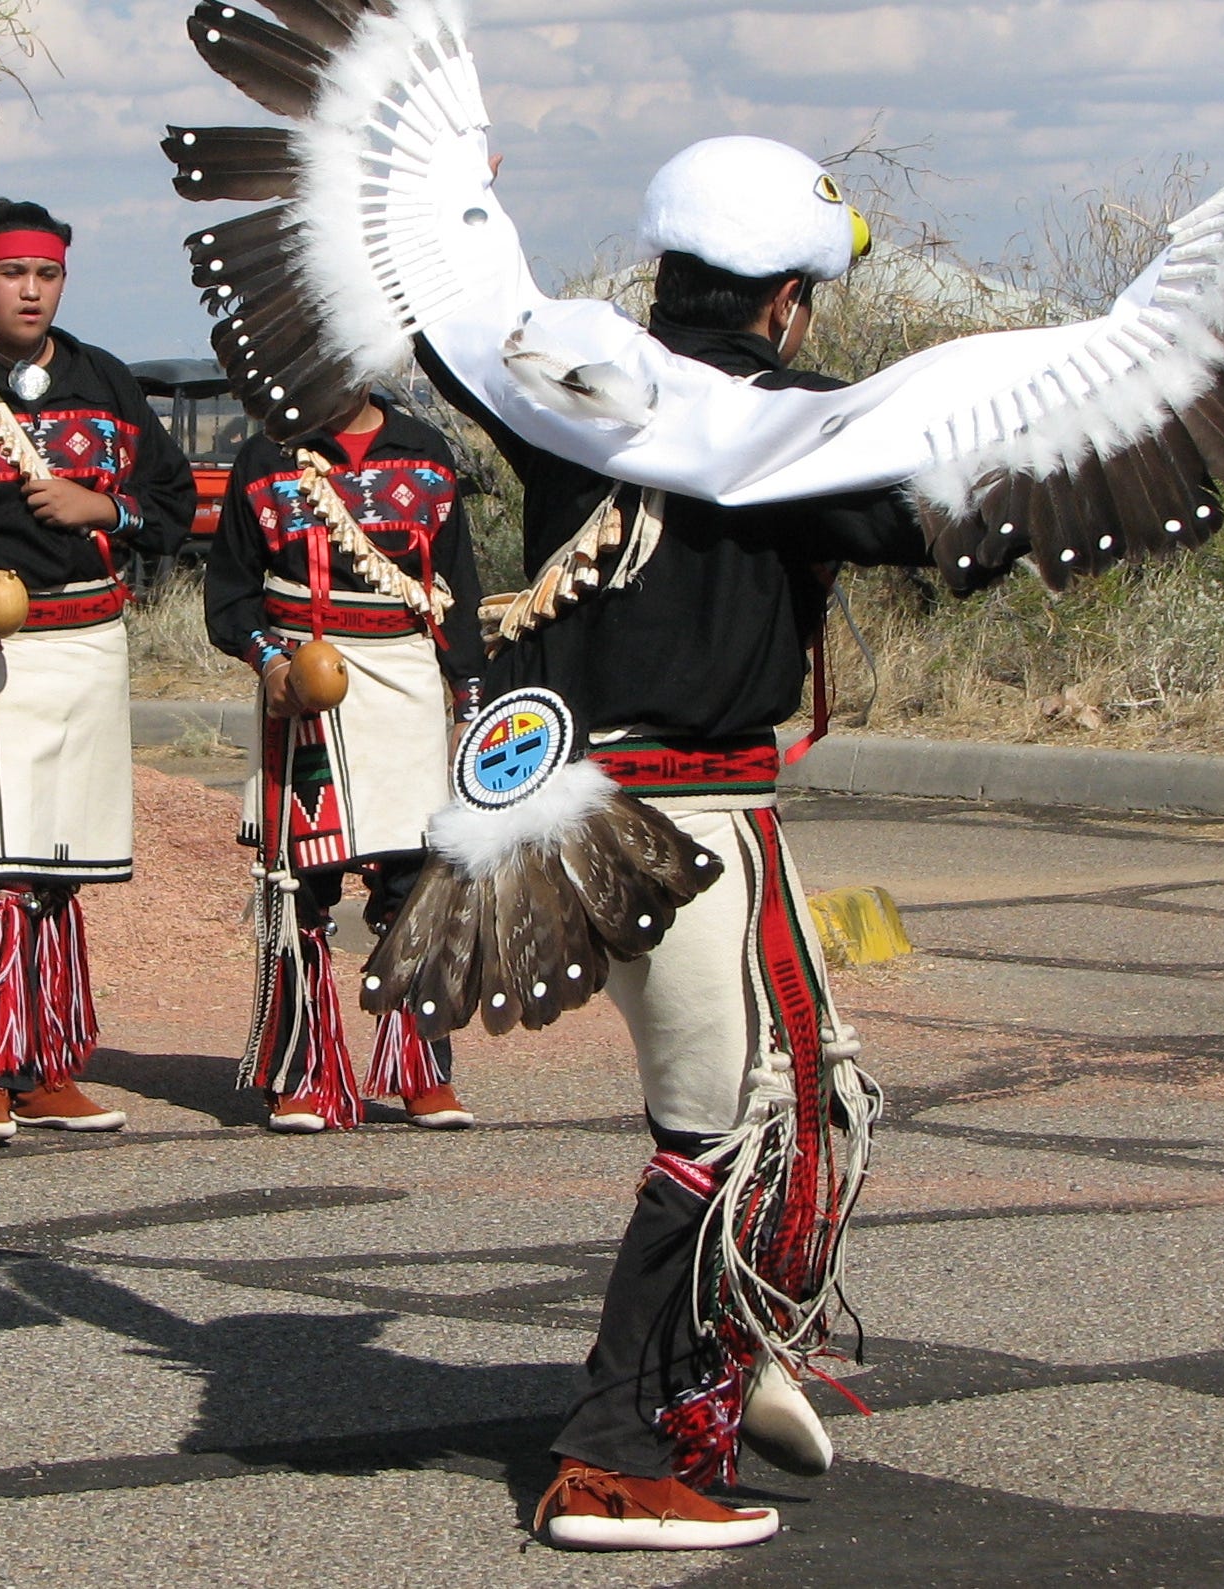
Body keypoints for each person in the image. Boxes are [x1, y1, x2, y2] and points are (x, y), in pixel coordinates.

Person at [422, 147, 921, 1549]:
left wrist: (453, 201)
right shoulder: (794, 429)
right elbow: (921, 520)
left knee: (780, 1095)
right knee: (730, 1126)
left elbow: (438, 326)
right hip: (685, 818)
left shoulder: (571, 391)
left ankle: (729, 1351)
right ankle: (619, 1456)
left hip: (569, 811)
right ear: (785, 305)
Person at [0, 198, 195, 1147]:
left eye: (46, 274)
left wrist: (98, 504)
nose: (29, 289)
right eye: (12, 273)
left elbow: (171, 504)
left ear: (62, 279)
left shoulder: (105, 382)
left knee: (58, 866)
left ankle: (49, 1065)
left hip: (88, 646)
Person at [204, 390, 483, 1132]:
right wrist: (269, 662)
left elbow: (456, 588)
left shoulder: (424, 451)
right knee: (299, 885)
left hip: (407, 682)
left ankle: (423, 1066)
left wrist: (469, 690)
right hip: (303, 680)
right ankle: (301, 1068)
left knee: (419, 880)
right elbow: (230, 596)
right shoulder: (265, 454)